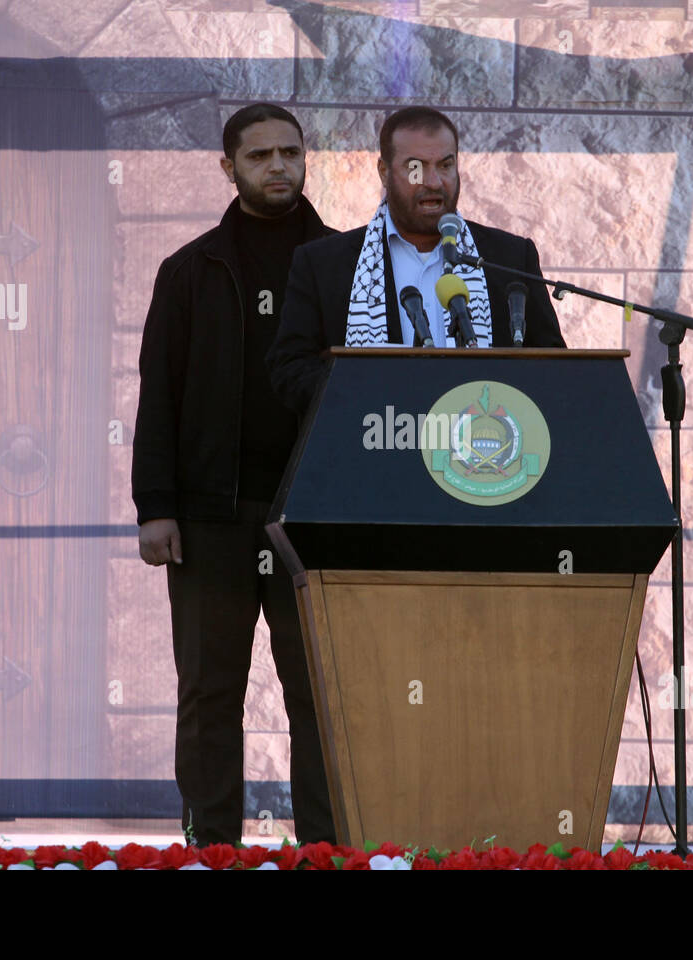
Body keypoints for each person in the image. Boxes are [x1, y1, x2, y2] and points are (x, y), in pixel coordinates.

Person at [132, 103, 336, 846]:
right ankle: (210, 848)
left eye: (290, 152)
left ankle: (326, 850)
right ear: (229, 168)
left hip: (314, 517)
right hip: (211, 515)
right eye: (260, 156)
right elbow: (161, 393)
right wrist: (155, 506)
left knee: (318, 694)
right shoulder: (190, 270)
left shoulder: (347, 265)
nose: (279, 166)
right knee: (210, 692)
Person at [267, 106, 566, 415]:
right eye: (416, 168)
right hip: (374, 446)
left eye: (446, 165)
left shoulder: (510, 258)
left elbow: (555, 365)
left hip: (486, 451)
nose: (434, 182)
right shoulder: (324, 263)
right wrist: (367, 394)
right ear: (384, 172)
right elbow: (290, 368)